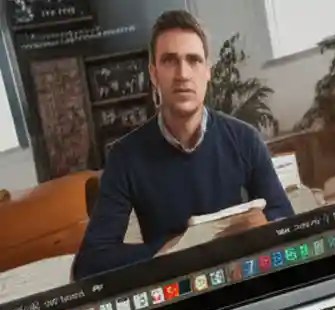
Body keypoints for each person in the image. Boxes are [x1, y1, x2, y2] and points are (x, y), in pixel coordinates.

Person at [72, 10, 293, 280]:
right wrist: (175, 248)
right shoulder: (125, 157)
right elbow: (89, 264)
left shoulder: (245, 138)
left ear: (208, 72)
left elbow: (285, 218)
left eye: (193, 60)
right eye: (169, 61)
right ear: (153, 74)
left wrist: (265, 225)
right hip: (175, 293)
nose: (183, 74)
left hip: (242, 281)